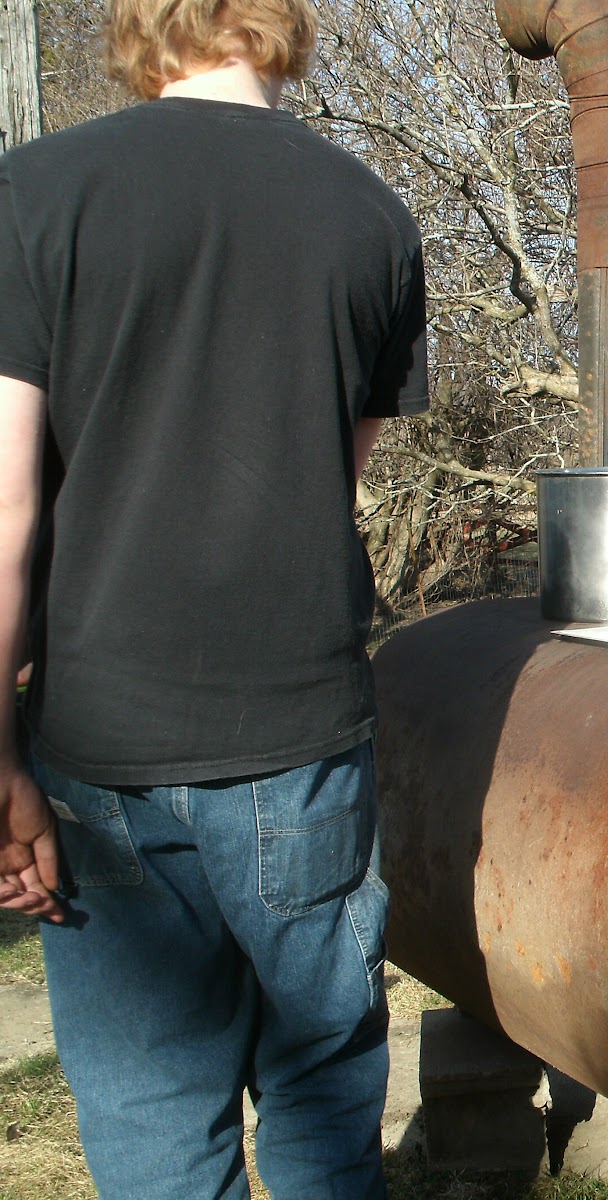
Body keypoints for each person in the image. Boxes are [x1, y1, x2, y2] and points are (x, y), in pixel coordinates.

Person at [0, 0, 429, 1194]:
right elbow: (322, 485)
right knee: (320, 1080)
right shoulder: (374, 219)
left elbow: (4, 510)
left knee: (149, 1102)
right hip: (297, 730)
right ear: (282, 20)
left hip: (99, 731)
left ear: (137, 25)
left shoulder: (34, 191)